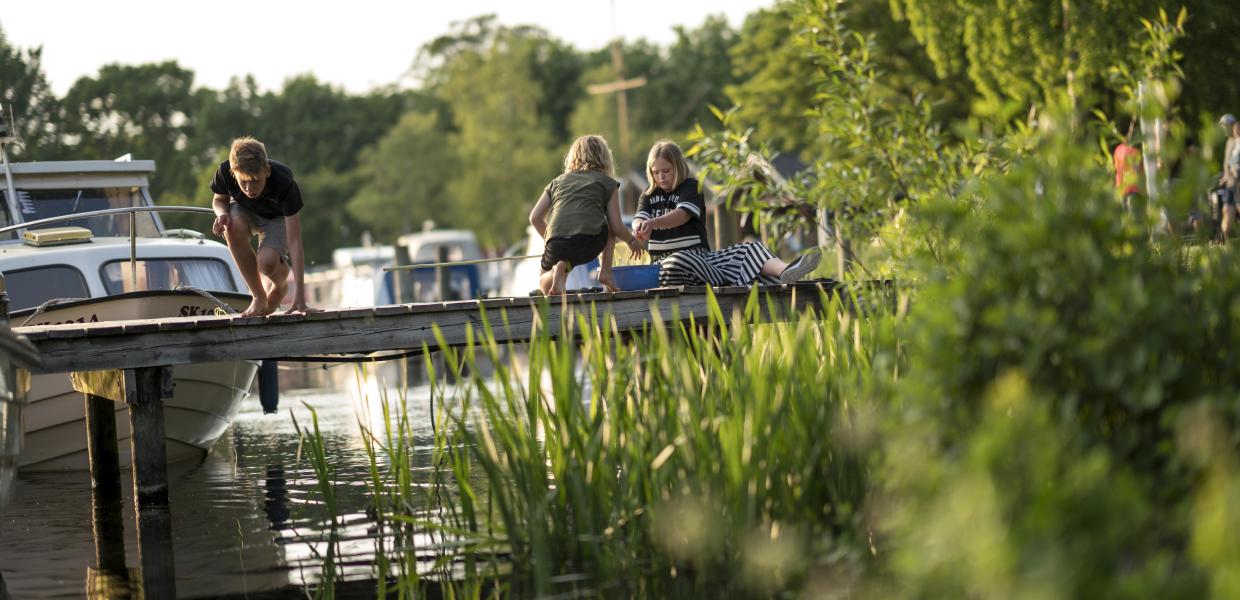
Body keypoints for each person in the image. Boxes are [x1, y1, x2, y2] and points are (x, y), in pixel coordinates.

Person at [632, 140, 820, 287]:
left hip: (702, 258)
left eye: (666, 171)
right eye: (656, 172)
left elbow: (682, 215)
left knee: (749, 248)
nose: (661, 177)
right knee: (677, 260)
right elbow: (639, 218)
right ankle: (735, 277)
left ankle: (787, 271)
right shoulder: (648, 195)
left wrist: (653, 223)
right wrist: (639, 226)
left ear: (678, 167)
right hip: (665, 265)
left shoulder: (690, 187)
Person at [210, 137, 314, 316]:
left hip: (275, 217)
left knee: (266, 263)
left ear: (267, 171)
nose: (249, 188)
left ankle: (280, 286)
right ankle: (258, 296)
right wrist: (222, 214)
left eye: (255, 181)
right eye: (243, 182)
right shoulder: (225, 170)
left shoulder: (284, 183)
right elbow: (219, 199)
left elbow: (295, 241)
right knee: (231, 226)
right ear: (233, 173)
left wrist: (299, 297)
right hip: (243, 210)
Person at [529, 134, 641, 295]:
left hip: (556, 243)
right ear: (605, 159)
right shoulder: (607, 183)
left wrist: (550, 240)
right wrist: (632, 241)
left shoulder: (557, 182)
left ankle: (555, 272)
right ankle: (605, 272)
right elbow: (616, 226)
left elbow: (535, 218)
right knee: (608, 225)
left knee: (544, 283)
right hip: (588, 242)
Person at [1113, 120, 1143, 213]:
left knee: (1126, 218)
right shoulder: (1135, 152)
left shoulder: (1118, 149)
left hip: (1121, 190)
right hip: (1133, 191)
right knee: (1135, 219)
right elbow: (1136, 172)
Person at [1218, 114, 1240, 241]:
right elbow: (1228, 163)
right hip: (1230, 183)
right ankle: (1225, 242)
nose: (1224, 129)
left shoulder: (1238, 140)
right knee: (1226, 210)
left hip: (1238, 182)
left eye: (1225, 126)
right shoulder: (1228, 142)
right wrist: (1225, 176)